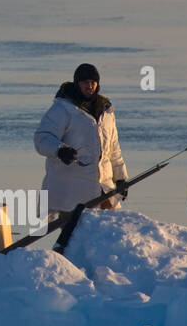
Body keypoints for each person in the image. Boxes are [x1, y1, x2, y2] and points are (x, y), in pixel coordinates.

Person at [33, 63, 128, 218]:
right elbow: (42, 138)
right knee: (74, 240)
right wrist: (59, 150)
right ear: (77, 83)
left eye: (93, 82)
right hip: (71, 194)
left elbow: (114, 150)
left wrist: (121, 178)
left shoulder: (106, 112)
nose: (89, 86)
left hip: (104, 190)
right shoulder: (62, 109)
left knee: (106, 238)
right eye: (84, 82)